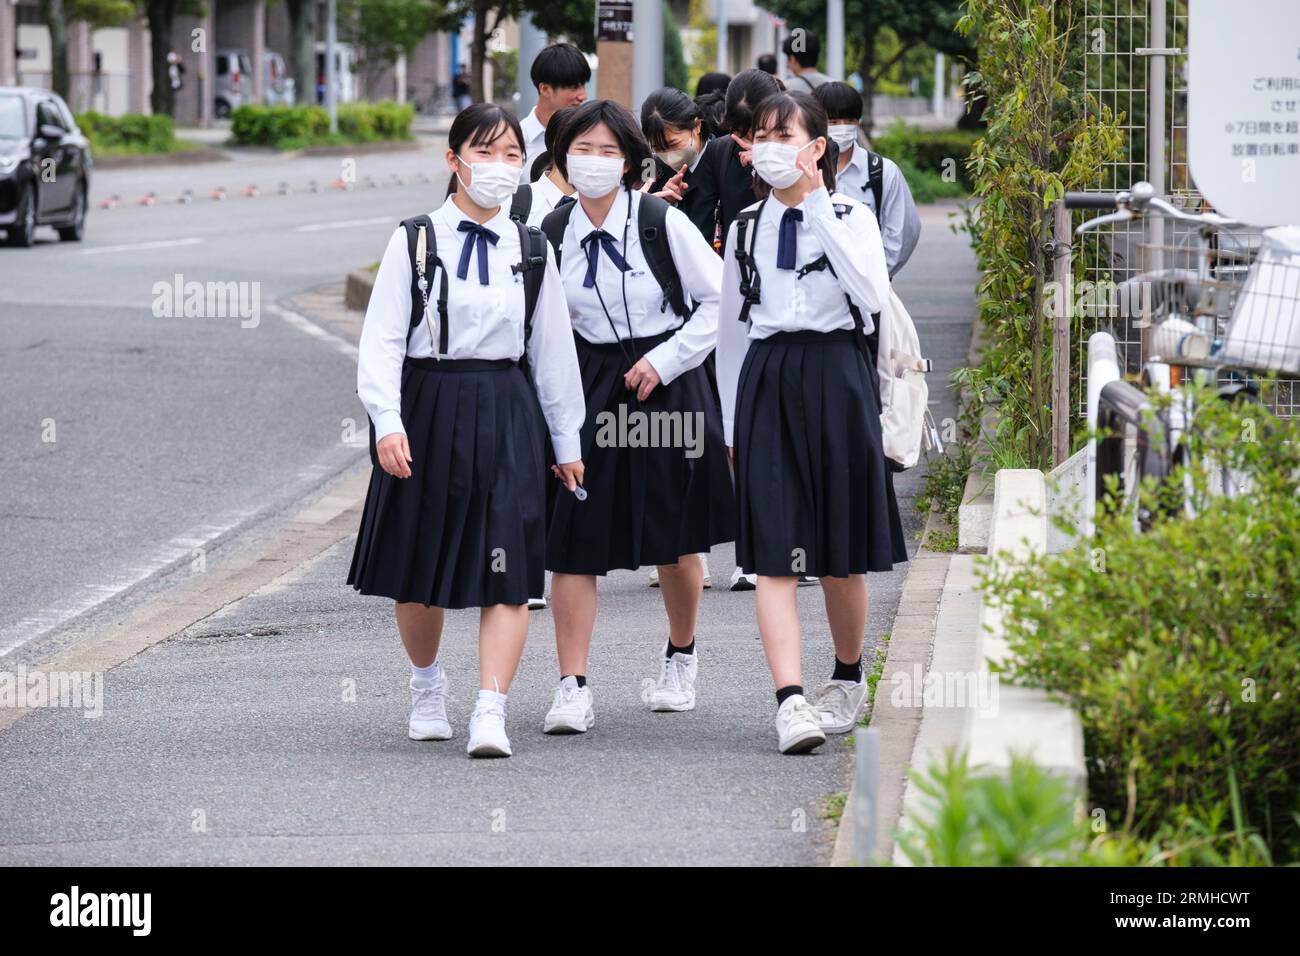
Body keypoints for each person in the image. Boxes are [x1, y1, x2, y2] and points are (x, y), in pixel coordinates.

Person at [348, 103, 586, 758]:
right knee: (418, 567)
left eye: (513, 154)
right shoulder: (417, 239)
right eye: (485, 153)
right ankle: (427, 686)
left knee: (508, 567)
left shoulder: (533, 248)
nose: (501, 167)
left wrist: (567, 443)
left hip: (508, 409)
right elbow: (383, 340)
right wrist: (387, 422)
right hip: (428, 404)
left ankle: (491, 708)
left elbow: (553, 352)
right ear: (453, 161)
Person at [715, 91, 906, 755]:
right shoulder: (743, 227)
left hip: (837, 377)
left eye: (782, 135)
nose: (767, 146)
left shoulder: (853, 216)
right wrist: (731, 426)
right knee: (773, 549)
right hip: (768, 377)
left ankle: (848, 674)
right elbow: (731, 334)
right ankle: (789, 701)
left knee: (838, 553)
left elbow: (868, 294)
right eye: (759, 136)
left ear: (816, 147)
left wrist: (818, 206)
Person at [539, 99, 733, 733]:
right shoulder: (550, 230)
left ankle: (681, 655)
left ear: (629, 160)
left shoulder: (660, 222)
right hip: (587, 381)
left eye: (607, 151)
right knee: (573, 535)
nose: (593, 162)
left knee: (673, 536)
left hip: (665, 385)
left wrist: (667, 360)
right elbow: (538, 326)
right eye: (581, 149)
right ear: (563, 156)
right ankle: (572, 685)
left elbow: (716, 303)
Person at [814, 81, 920, 277]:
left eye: (850, 120)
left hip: (867, 290)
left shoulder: (883, 172)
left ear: (859, 121)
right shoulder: (803, 172)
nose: (842, 128)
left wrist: (874, 277)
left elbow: (903, 233)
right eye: (833, 122)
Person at [520, 43, 591, 170]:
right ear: (545, 89)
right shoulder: (517, 140)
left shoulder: (589, 137)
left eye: (583, 85)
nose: (583, 96)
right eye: (574, 87)